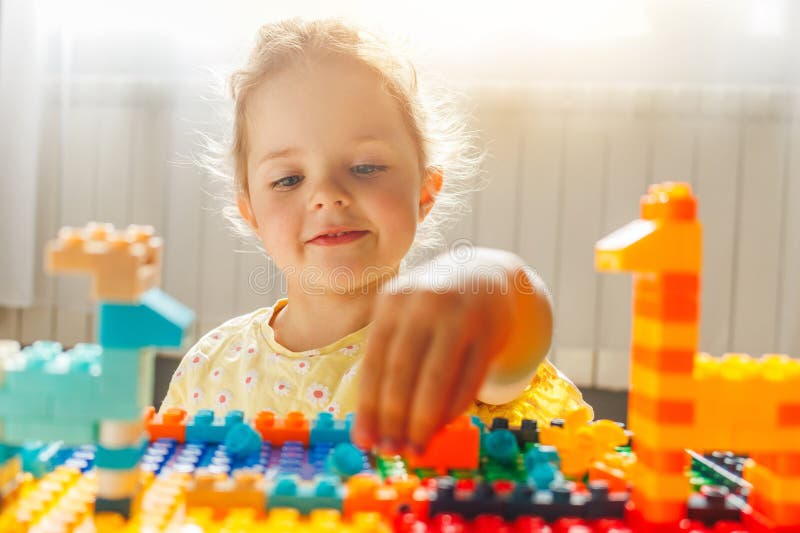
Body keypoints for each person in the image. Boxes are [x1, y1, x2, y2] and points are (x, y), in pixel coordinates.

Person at [161, 17, 591, 455]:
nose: (327, 195)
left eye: (366, 167)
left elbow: (516, 317)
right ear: (250, 212)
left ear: (425, 189)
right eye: (289, 179)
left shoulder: (445, 344)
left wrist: (488, 281)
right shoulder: (209, 366)